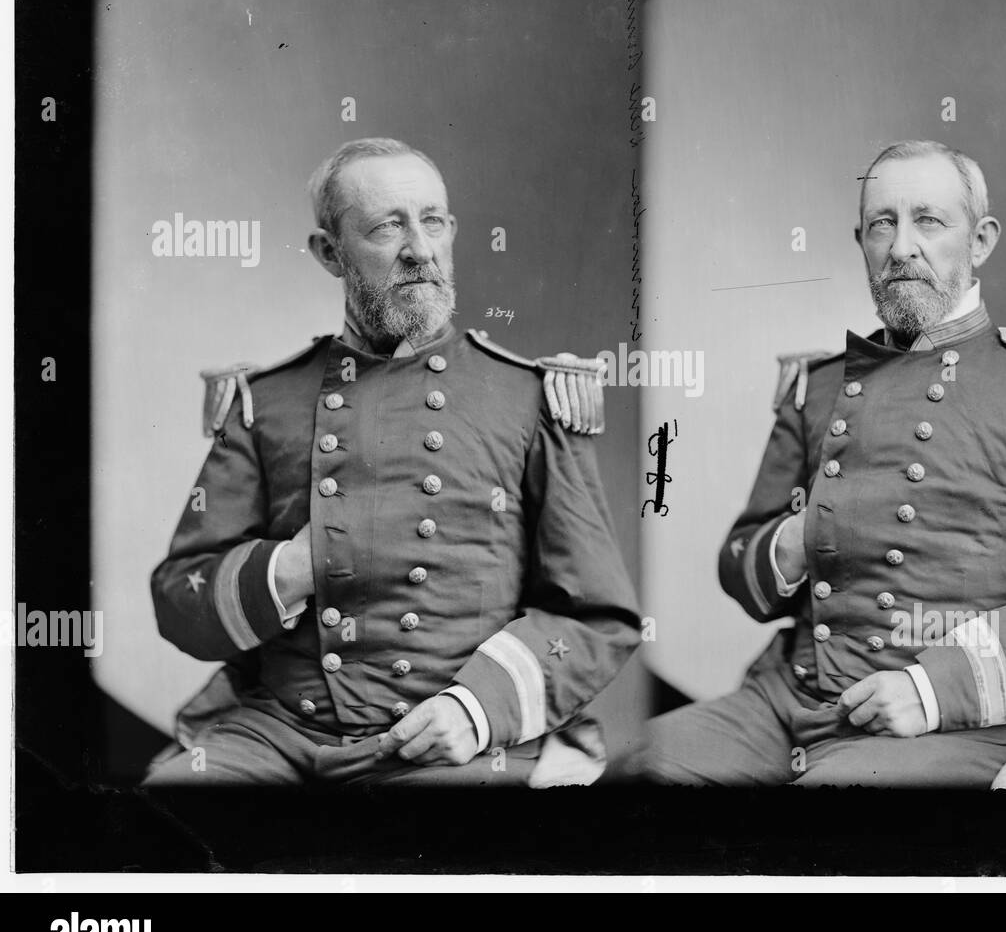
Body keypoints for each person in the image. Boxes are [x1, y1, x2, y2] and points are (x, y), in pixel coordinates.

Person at [144, 137, 639, 787]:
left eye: (432, 220)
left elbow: (598, 616)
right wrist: (288, 569)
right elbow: (179, 596)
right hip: (279, 731)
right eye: (386, 226)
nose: (420, 249)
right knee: (164, 816)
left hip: (440, 740)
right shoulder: (263, 402)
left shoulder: (528, 398)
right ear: (330, 252)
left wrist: (476, 708)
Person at [644, 139, 1006, 787]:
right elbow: (739, 566)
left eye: (929, 220)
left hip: (944, 719)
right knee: (641, 768)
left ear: (982, 240)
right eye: (883, 223)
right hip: (787, 700)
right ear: (862, 241)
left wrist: (930, 689)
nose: (902, 245)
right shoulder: (817, 387)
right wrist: (794, 541)